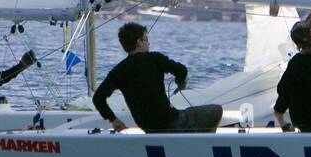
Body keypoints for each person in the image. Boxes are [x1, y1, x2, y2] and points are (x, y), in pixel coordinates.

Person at [92, 23, 222, 133]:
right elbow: (182, 70)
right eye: (146, 39)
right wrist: (181, 84)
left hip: (148, 127)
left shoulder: (118, 71)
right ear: (139, 43)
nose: (148, 43)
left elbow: (98, 98)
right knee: (216, 110)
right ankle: (199, 145)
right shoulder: (154, 59)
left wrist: (113, 120)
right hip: (170, 122)